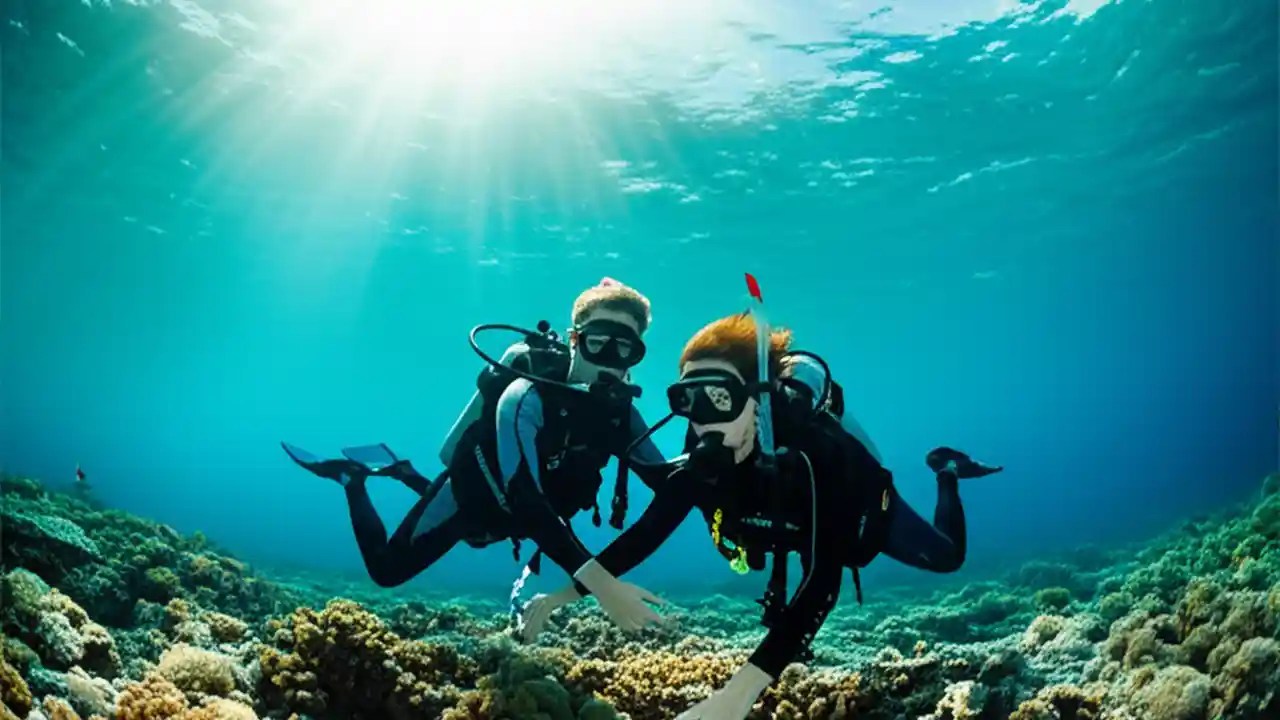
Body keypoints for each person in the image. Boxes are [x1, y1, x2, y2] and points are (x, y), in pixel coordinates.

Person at [519, 295, 1001, 720]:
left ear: (757, 403)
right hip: (786, 527)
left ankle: (947, 471)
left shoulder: (810, 459)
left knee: (947, 558)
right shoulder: (700, 467)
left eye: (720, 398)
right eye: (690, 401)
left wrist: (737, 694)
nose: (704, 422)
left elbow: (819, 584)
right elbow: (641, 539)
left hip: (855, 517)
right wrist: (559, 597)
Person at [282, 278, 671, 633]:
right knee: (388, 570)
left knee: (479, 538)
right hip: (473, 495)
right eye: (598, 340)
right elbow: (524, 495)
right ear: (574, 339)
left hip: (519, 517)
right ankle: (353, 479)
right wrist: (604, 587)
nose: (608, 357)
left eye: (625, 347)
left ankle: (404, 471)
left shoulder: (622, 417)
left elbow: (669, 483)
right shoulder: (526, 395)